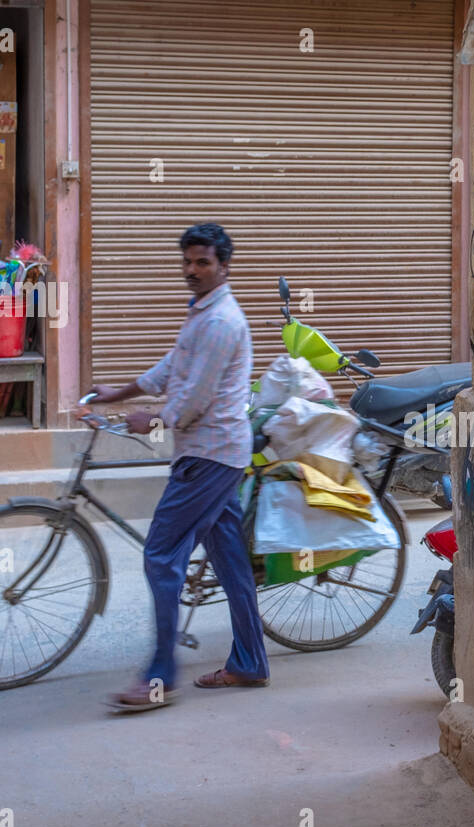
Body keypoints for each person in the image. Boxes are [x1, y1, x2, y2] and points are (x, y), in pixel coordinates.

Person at [87, 223, 270, 712]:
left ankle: (160, 678)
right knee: (231, 563)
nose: (192, 270)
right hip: (216, 454)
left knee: (161, 556)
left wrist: (154, 420)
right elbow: (171, 368)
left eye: (203, 262)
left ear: (224, 266)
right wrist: (120, 393)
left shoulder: (221, 322)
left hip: (208, 457)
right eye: (187, 262)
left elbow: (192, 400)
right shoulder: (201, 315)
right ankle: (251, 661)